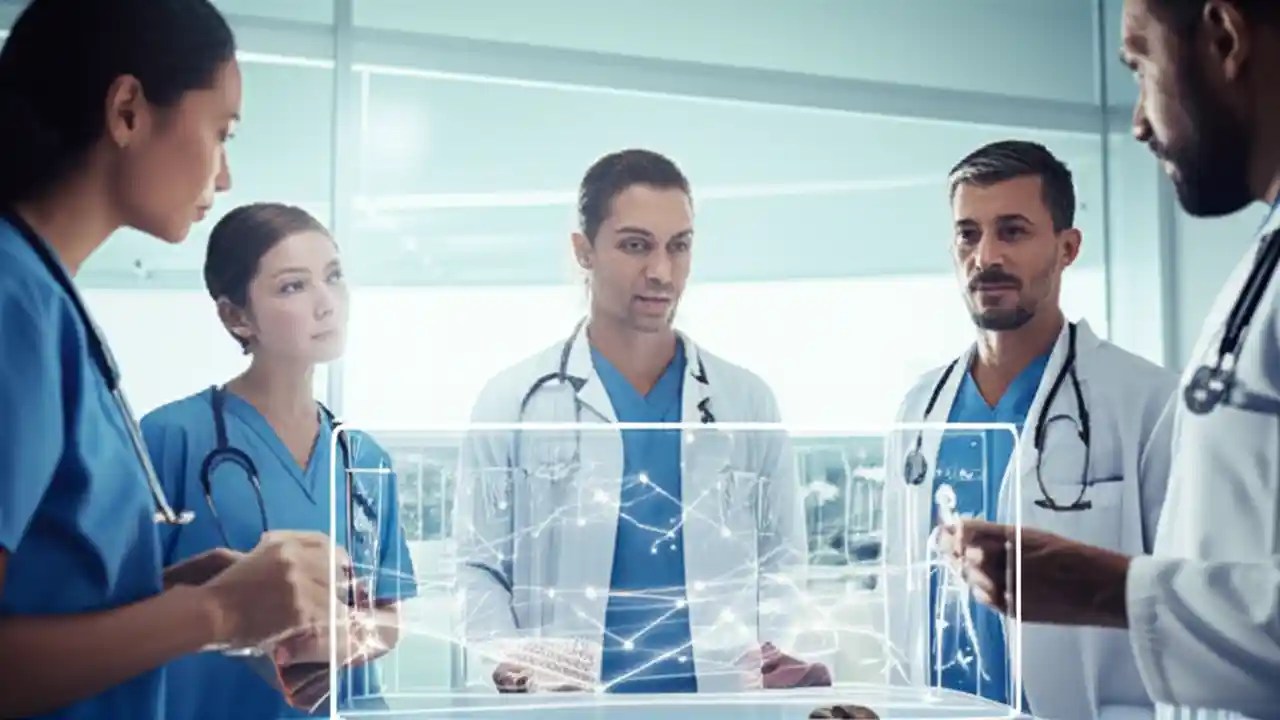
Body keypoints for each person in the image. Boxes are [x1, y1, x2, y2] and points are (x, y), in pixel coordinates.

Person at [0, 2, 342, 719]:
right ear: (127, 111)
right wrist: (212, 614)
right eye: (220, 133)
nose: (223, 178)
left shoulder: (45, 302)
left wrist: (167, 591)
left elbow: (45, 586)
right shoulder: (12, 303)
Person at [947, 1, 1280, 719]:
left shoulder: (1142, 397)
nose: (1135, 122)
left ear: (1224, 38)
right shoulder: (1261, 266)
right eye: (968, 234)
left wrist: (1102, 588)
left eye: (1140, 65)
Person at [452, 149, 829, 694]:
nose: (662, 271)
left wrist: (773, 659)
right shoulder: (512, 401)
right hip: (563, 707)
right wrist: (515, 662)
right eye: (636, 246)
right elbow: (477, 569)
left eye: (679, 246)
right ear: (583, 251)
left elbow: (783, 564)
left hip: (716, 706)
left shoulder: (746, 403)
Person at [882, 141, 1178, 718]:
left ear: (1067, 248)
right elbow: (899, 593)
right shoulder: (919, 408)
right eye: (968, 234)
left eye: (1012, 231)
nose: (985, 255)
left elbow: (1180, 601)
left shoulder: (1147, 401)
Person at [140, 203, 419, 718]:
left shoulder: (363, 456)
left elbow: (387, 616)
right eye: (294, 286)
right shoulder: (169, 438)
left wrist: (337, 642)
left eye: (333, 277)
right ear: (236, 316)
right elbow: (116, 608)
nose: (327, 303)